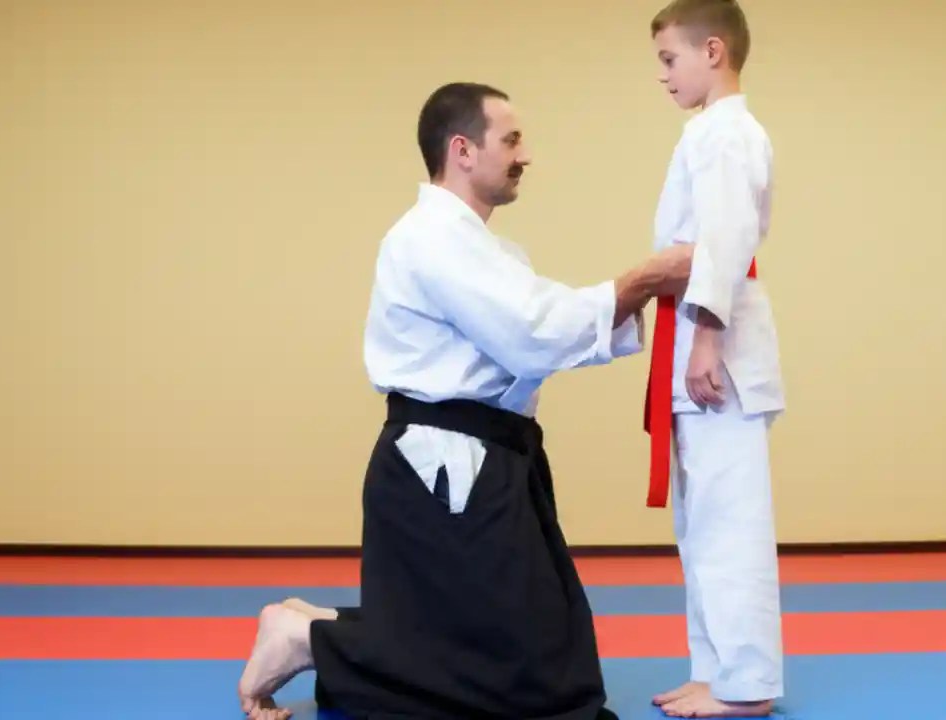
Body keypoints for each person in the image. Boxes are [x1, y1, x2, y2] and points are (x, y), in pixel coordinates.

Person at [235, 82, 695, 720]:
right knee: (518, 683)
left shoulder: (485, 248)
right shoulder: (430, 238)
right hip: (444, 468)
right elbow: (534, 333)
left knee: (552, 653)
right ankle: (311, 638)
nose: (524, 154)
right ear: (462, 150)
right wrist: (641, 280)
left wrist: (633, 292)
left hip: (487, 459)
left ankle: (316, 625)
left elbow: (538, 327)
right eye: (510, 139)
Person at [640, 1, 787, 717]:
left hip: (716, 347)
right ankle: (715, 670)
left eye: (670, 59)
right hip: (696, 335)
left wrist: (704, 339)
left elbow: (725, 243)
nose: (663, 76)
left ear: (714, 51)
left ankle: (748, 684)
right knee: (702, 529)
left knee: (730, 526)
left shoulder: (728, 134)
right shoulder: (709, 133)